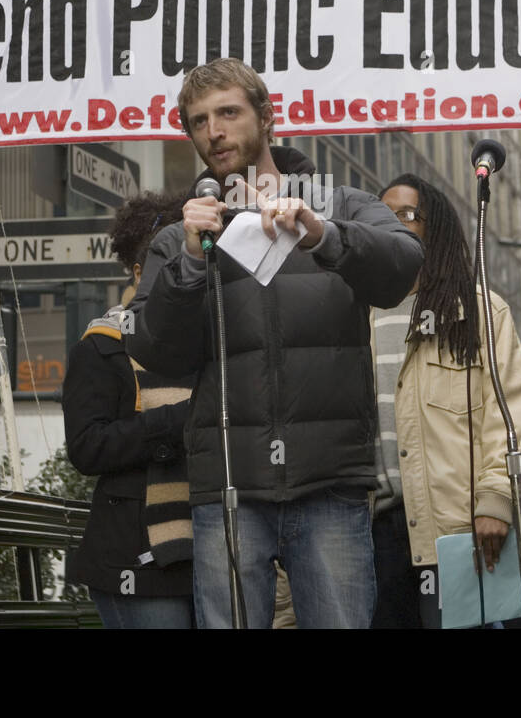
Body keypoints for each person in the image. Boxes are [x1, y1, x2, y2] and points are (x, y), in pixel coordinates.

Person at [126, 57, 423, 628]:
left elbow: (404, 266)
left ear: (267, 116)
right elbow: (152, 350)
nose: (213, 131)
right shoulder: (180, 238)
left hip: (330, 482)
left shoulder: (339, 205)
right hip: (228, 489)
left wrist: (323, 235)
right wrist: (190, 261)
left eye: (229, 112)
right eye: (198, 121)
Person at [371, 174, 521, 628]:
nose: (393, 224)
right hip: (373, 534)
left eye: (407, 215)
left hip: (459, 530)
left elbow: (513, 418)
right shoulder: (354, 315)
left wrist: (497, 498)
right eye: (382, 215)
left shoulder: (479, 312)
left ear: (437, 229)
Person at [60, 191, 196, 629]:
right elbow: (87, 448)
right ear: (140, 271)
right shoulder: (102, 346)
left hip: (204, 551)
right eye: (169, 265)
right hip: (134, 561)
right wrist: (179, 421)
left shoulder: (204, 343)